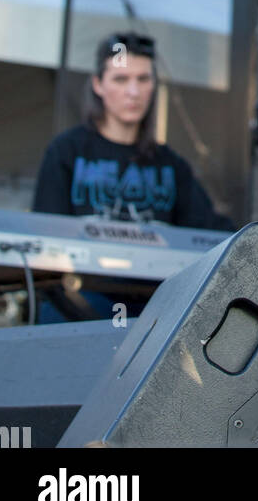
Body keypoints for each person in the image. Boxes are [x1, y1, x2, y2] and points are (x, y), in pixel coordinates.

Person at [33, 31, 233, 321]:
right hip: (76, 301)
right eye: (121, 79)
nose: (133, 92)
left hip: (155, 308)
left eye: (143, 79)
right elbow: (44, 237)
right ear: (98, 85)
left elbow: (209, 233)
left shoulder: (171, 164)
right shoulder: (66, 151)